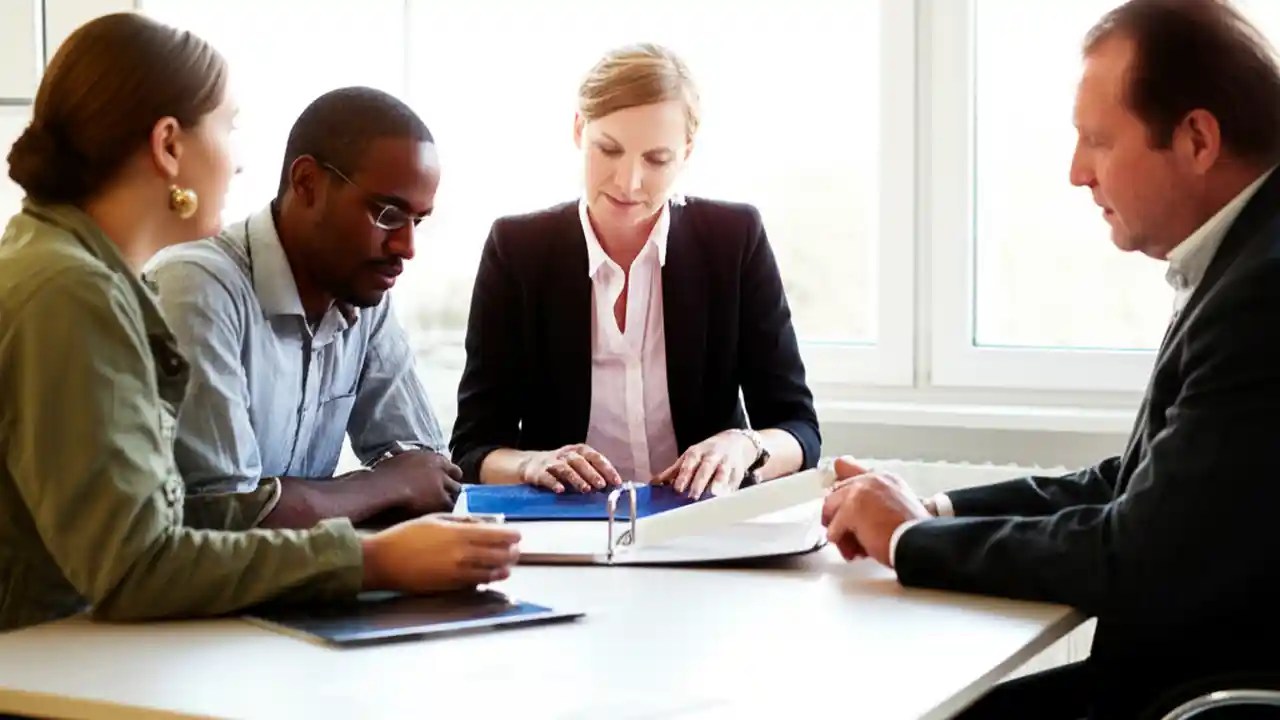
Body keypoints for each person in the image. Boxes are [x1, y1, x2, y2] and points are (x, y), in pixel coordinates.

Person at [821, 1, 1280, 717]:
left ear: (1196, 138)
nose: (1076, 173)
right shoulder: (1244, 258)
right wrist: (931, 508)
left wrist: (911, 539)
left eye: (1097, 141)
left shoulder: (1263, 291)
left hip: (1203, 697)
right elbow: (1137, 484)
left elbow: (1137, 555)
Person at [0, 12, 519, 633]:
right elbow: (138, 565)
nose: (240, 164)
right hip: (46, 668)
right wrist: (371, 558)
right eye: (229, 127)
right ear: (169, 145)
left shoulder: (74, 272)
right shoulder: (73, 290)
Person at [449, 43, 820, 499]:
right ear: (579, 129)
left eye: (656, 159)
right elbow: (472, 447)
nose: (628, 182)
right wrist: (532, 462)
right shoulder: (517, 248)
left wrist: (744, 446)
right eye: (608, 149)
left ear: (686, 151)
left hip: (700, 522)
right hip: (565, 525)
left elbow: (799, 429)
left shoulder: (733, 239)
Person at [144, 87, 459, 530]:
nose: (406, 247)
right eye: (387, 214)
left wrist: (380, 486)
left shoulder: (363, 295)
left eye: (417, 222)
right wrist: (385, 485)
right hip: (193, 597)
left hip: (301, 587)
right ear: (307, 183)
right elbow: (228, 518)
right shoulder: (196, 286)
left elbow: (428, 473)